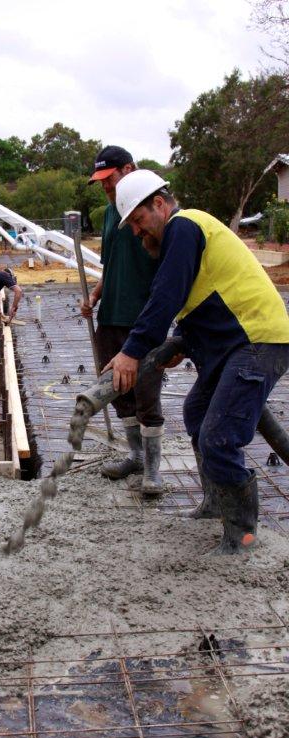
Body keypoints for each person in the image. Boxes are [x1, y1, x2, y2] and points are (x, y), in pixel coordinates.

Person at [105, 169, 289, 554]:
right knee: (197, 412)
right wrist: (181, 343)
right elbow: (207, 302)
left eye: (139, 222)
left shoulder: (183, 226)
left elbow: (166, 296)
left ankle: (244, 537)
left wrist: (133, 351)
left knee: (218, 438)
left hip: (258, 339)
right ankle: (215, 503)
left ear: (159, 204)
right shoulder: (184, 237)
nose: (139, 234)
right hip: (236, 342)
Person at [83, 146, 164, 494]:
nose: (105, 187)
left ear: (127, 169)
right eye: (99, 181)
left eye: (109, 178)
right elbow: (110, 264)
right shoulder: (107, 213)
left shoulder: (152, 209)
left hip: (142, 319)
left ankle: (153, 471)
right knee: (119, 392)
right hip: (111, 315)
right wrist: (95, 297)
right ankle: (134, 455)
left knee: (146, 392)